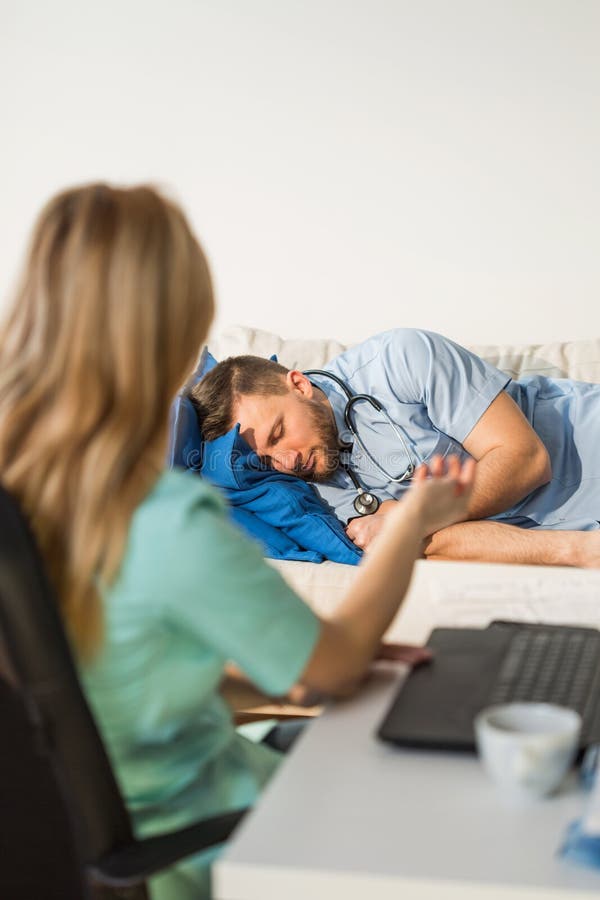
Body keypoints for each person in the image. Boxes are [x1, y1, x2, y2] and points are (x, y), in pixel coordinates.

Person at [0, 185, 475, 900]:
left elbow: (94, 703)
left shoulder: (30, 498)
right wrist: (414, 519)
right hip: (221, 844)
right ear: (171, 342)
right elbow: (332, 671)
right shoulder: (162, 517)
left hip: (112, 843)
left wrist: (287, 668)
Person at [192, 329, 600, 568]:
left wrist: (410, 517)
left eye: (279, 432)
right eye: (266, 458)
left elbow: (525, 460)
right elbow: (426, 540)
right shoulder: (315, 490)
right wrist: (577, 551)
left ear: (298, 384)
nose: (286, 461)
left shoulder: (399, 359)